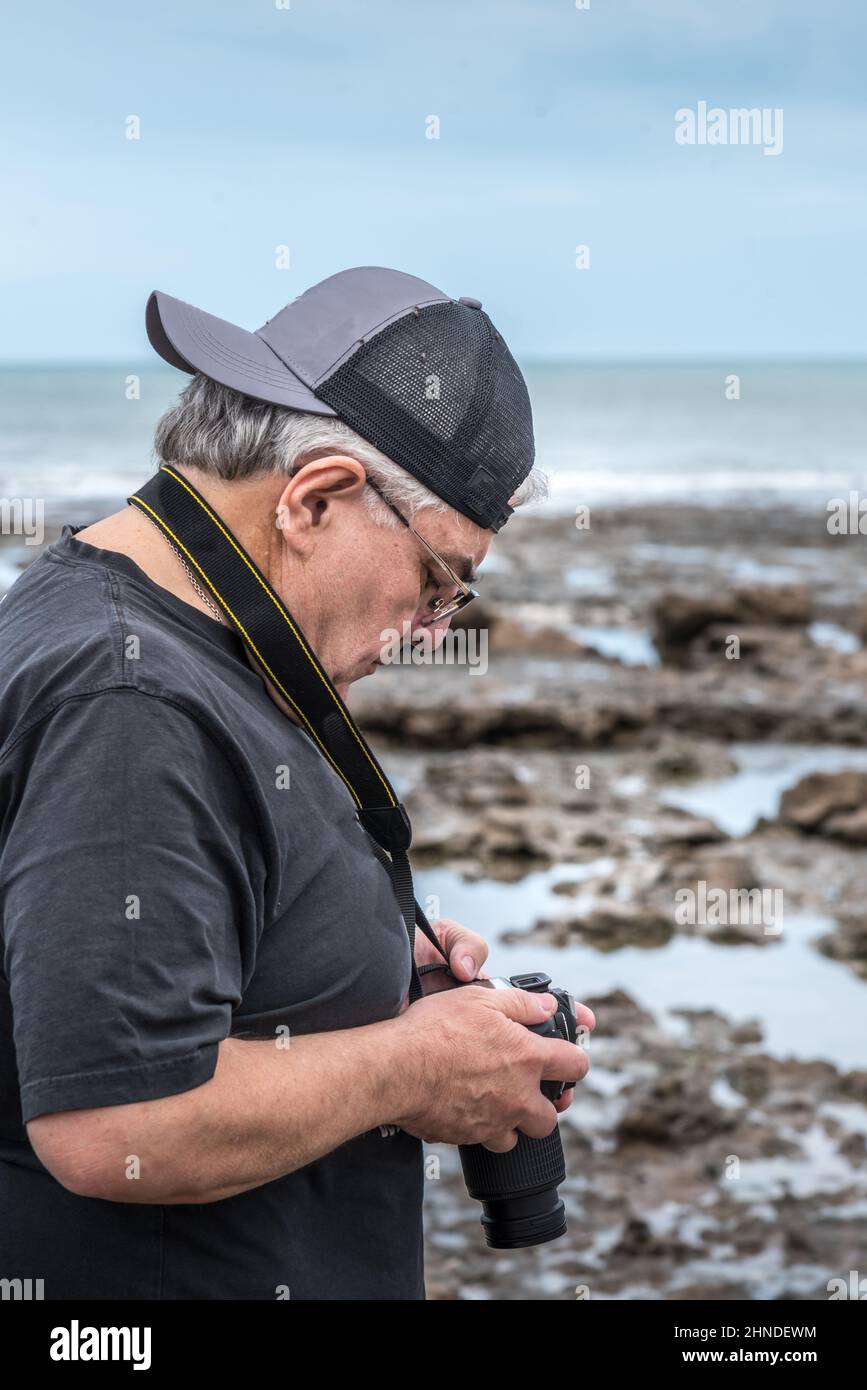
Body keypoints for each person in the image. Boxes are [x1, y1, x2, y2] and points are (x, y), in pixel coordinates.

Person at [0, 266, 594, 1300]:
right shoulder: (130, 700)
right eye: (439, 581)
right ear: (316, 497)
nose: (428, 631)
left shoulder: (191, 638)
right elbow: (114, 1124)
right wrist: (417, 1067)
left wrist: (357, 967)